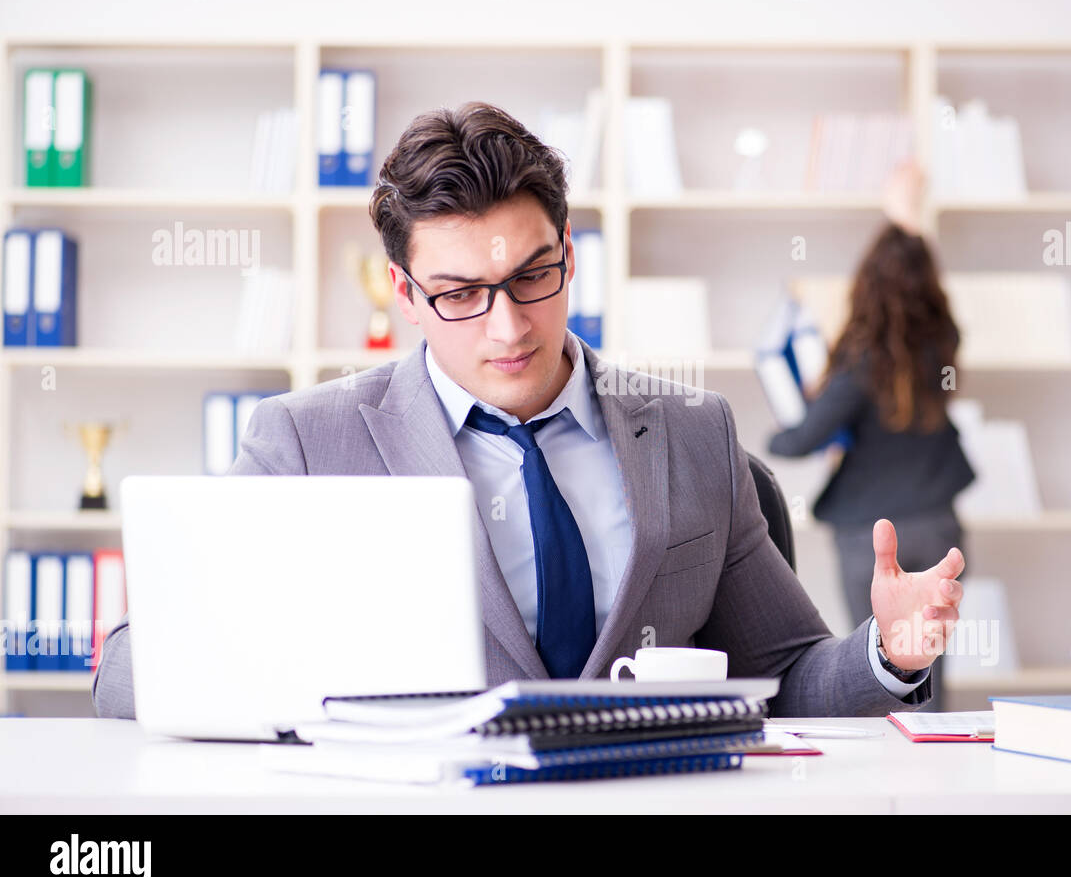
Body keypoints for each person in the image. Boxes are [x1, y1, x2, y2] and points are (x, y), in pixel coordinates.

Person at [91, 103, 966, 720]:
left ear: (570, 255)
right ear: (402, 291)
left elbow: (790, 679)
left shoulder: (696, 433)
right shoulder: (311, 441)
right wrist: (313, 660)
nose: (509, 326)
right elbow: (127, 670)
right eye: (461, 293)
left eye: (531, 277)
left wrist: (889, 652)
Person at [767, 162, 975, 711]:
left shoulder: (861, 360)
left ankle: (892, 793)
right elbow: (926, 285)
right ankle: (934, 786)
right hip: (939, 520)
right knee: (929, 667)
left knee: (883, 671)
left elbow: (799, 441)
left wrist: (785, 428)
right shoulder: (943, 341)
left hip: (872, 535)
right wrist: (904, 218)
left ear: (866, 288)